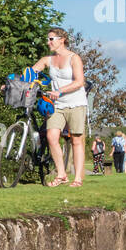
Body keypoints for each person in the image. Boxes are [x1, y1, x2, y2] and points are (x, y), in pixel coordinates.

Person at [26, 28, 88, 187]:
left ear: (62, 40)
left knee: (76, 140)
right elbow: (30, 74)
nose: (48, 42)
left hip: (75, 103)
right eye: (48, 39)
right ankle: (61, 174)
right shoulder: (47, 60)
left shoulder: (74, 58)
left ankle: (78, 179)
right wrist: (12, 83)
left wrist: (59, 91)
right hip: (57, 105)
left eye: (51, 39)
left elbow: (79, 82)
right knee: (52, 137)